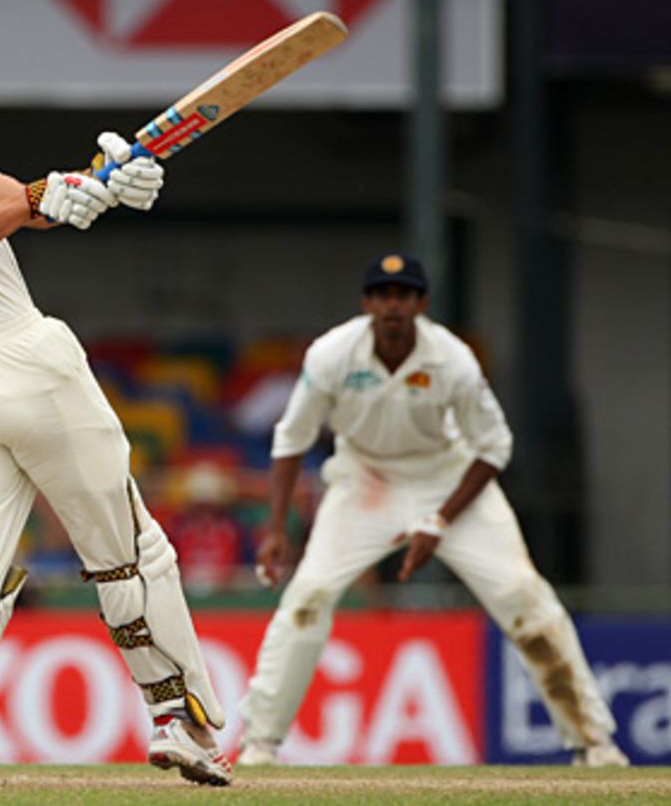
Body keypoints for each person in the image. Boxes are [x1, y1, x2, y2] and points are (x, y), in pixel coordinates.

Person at [0, 28, 231, 786]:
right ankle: (175, 721)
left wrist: (102, 182)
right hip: (22, 364)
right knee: (128, 551)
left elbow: (30, 203)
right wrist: (32, 199)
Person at [237, 254, 628, 768]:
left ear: (421, 304)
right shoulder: (332, 354)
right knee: (309, 595)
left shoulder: (453, 361)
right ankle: (260, 745)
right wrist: (274, 529)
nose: (392, 305)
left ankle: (593, 743)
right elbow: (291, 440)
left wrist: (440, 520)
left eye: (403, 295)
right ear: (367, 303)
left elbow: (494, 447)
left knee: (521, 593)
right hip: (364, 481)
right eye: (382, 294)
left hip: (449, 479)